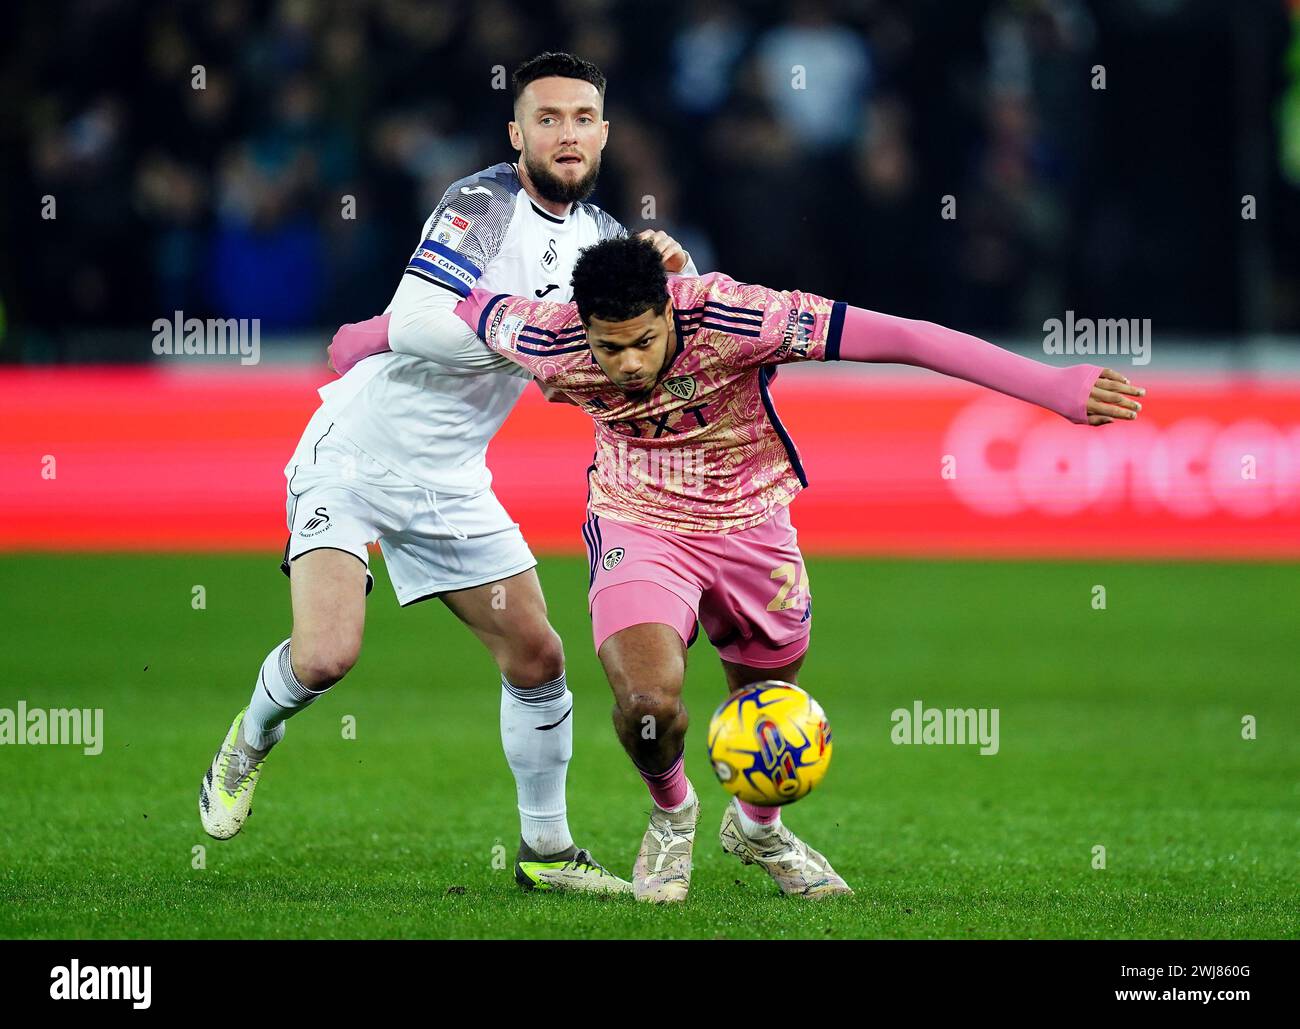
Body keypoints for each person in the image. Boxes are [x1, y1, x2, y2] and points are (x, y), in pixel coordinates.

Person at [328, 236, 1146, 901]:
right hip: (638, 522)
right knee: (647, 705)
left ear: (670, 310)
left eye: (645, 340)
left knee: (770, 717)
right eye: (610, 348)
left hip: (755, 528)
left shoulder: (738, 315)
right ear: (583, 326)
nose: (629, 364)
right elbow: (446, 311)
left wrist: (1053, 387)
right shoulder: (544, 333)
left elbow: (903, 336)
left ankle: (756, 830)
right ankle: (674, 815)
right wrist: (363, 338)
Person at [200, 53, 695, 895]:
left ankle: (547, 850)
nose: (566, 134)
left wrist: (668, 293)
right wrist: (545, 334)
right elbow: (416, 319)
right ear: (518, 134)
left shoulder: (605, 242)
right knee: (325, 658)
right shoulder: (482, 204)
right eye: (548, 119)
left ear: (604, 134)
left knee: (538, 657)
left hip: (452, 480)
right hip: (355, 454)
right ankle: (248, 741)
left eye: (582, 118)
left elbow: (632, 360)